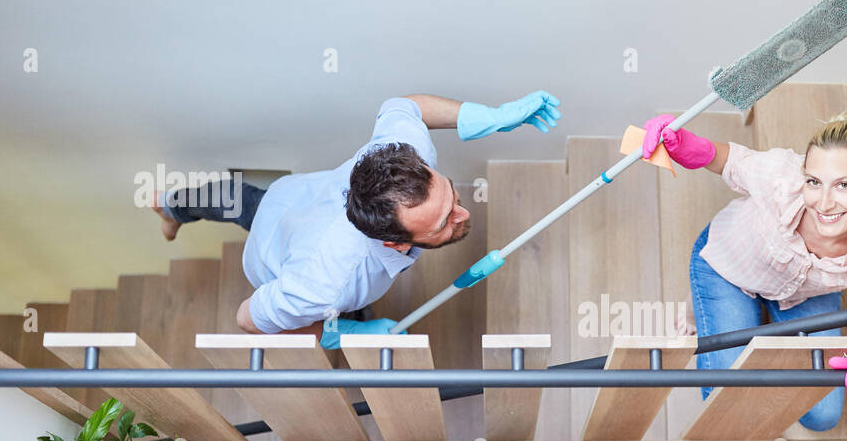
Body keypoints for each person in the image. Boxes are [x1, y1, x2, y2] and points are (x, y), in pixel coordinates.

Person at [150, 91, 561, 347]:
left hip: (289, 197)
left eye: (451, 195)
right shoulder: (322, 286)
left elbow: (404, 106)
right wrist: (339, 334)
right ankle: (169, 208)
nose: (464, 213)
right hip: (273, 255)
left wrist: (486, 116)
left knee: (236, 197)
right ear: (395, 243)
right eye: (442, 224)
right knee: (237, 203)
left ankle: (170, 206)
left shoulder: (405, 155)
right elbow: (247, 319)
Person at [640, 110, 847, 430]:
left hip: (805, 294)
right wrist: (689, 145)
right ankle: (698, 307)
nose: (824, 204)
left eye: (844, 185)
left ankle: (756, 326)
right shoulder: (781, 177)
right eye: (814, 182)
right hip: (729, 269)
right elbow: (729, 159)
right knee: (723, 399)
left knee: (823, 416)